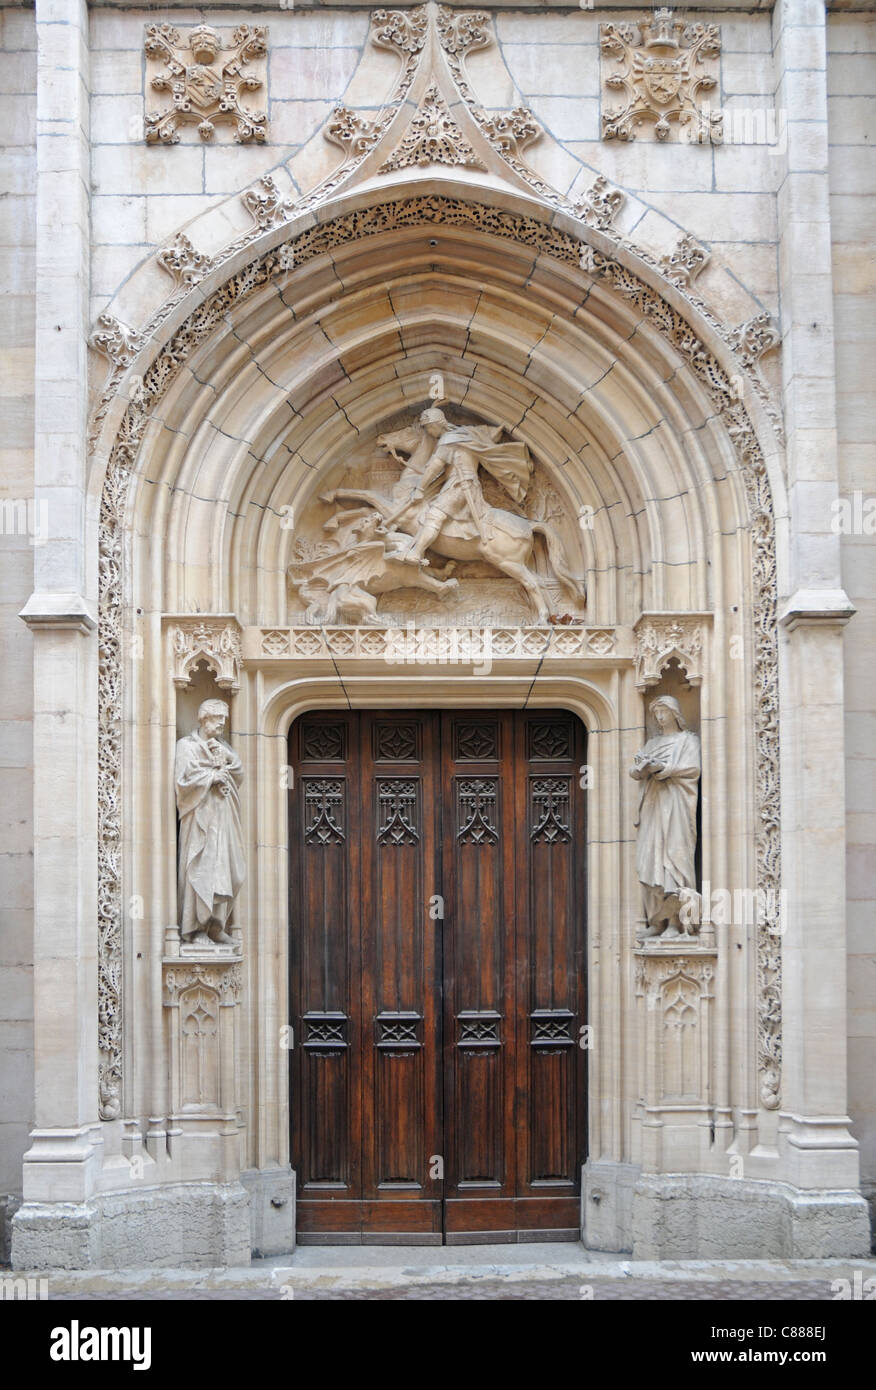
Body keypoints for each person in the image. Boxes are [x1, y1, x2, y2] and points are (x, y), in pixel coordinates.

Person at [174, 698, 245, 945]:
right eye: (219, 719)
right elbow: (182, 784)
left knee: (228, 872)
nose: (223, 725)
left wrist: (226, 759)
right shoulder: (186, 746)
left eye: (225, 720)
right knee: (201, 869)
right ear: (205, 718)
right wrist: (212, 777)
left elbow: (239, 773)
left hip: (223, 818)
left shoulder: (222, 746)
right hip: (199, 820)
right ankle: (196, 929)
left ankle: (216, 926)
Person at [630, 695, 701, 937]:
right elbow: (635, 768)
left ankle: (675, 922)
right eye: (656, 713)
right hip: (653, 805)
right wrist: (641, 769)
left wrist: (665, 769)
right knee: (649, 860)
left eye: (663, 711)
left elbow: (693, 769)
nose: (659, 717)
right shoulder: (652, 744)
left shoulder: (687, 741)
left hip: (677, 805)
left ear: (674, 713)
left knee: (673, 859)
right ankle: (655, 922)